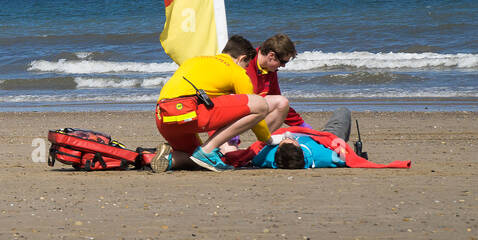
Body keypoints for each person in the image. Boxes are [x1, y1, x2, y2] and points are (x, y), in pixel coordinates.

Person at [150, 35, 291, 173]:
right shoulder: (237, 72)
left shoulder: (195, 60)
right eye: (246, 65)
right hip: (188, 113)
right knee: (260, 104)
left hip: (163, 118)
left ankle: (169, 158)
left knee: (196, 161)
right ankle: (207, 150)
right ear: (242, 58)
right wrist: (267, 138)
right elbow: (255, 108)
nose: (246, 69)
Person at [223, 109, 411, 169]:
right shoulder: (322, 156)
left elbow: (249, 155)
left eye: (284, 142)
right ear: (300, 147)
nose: (287, 138)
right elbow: (343, 158)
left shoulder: (266, 158)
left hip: (312, 137)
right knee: (342, 113)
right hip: (323, 140)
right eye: (290, 140)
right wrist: (339, 145)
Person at [245, 34, 309, 128]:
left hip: (251, 110)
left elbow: (278, 100)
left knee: (281, 103)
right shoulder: (245, 63)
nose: (283, 66)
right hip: (230, 111)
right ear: (271, 55)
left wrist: (300, 124)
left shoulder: (270, 69)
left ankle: (264, 140)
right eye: (283, 62)